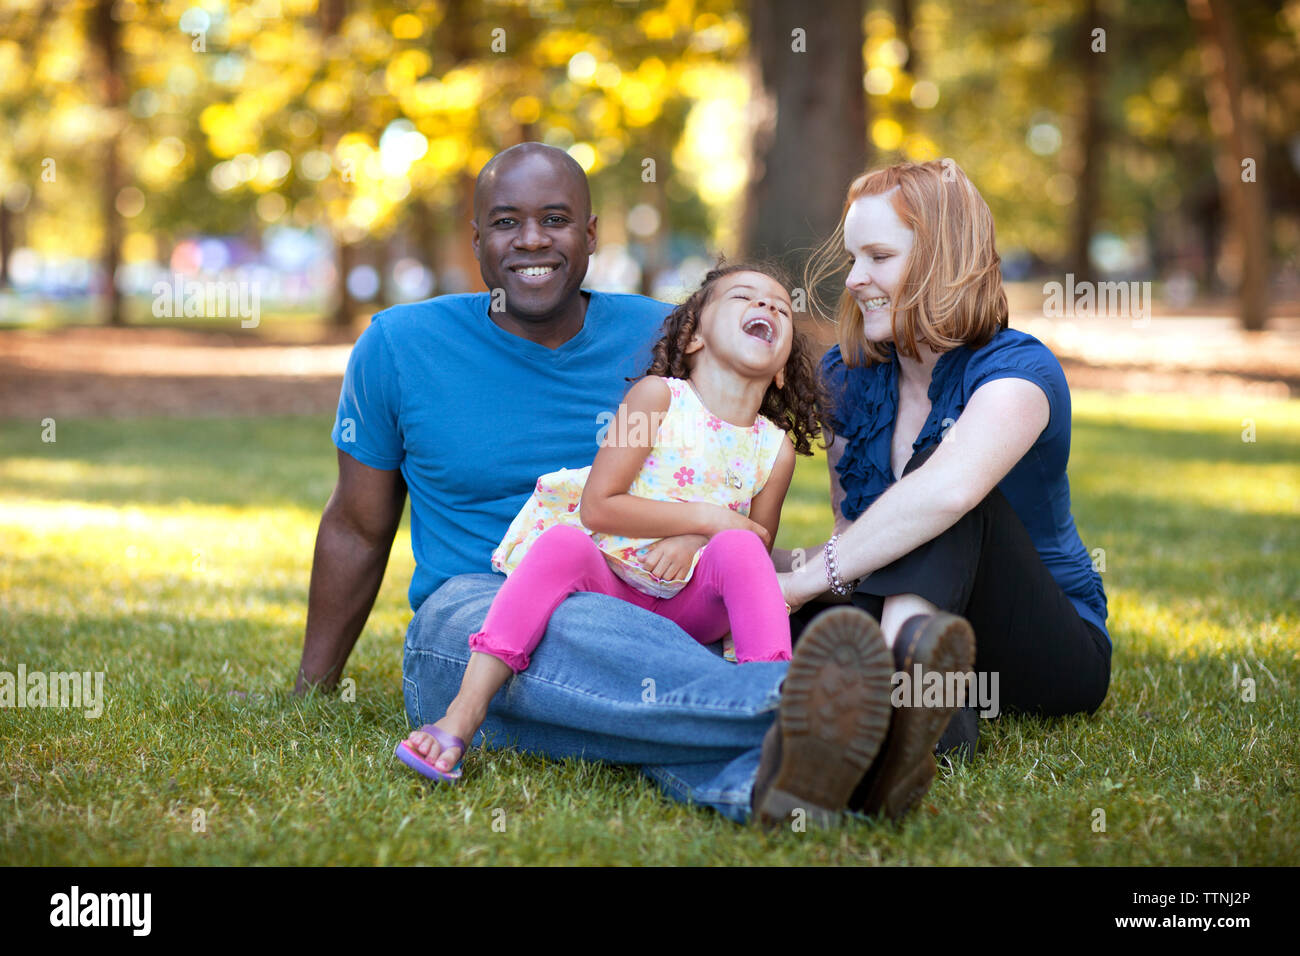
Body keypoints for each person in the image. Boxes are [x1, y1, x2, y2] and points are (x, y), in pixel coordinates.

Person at [296, 142, 943, 826]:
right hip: (479, 609)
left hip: (656, 596)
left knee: (630, 686)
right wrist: (314, 688)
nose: (533, 239)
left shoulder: (665, 331)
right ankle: (809, 709)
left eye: (556, 219)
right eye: (508, 222)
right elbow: (357, 526)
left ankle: (788, 776)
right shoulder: (400, 344)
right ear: (478, 237)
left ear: (591, 234)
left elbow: (736, 449)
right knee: (579, 628)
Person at [394, 263, 823, 781]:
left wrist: (696, 537)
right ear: (694, 339)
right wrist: (706, 518)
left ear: (780, 370)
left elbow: (755, 543)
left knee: (740, 551)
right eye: (744, 298)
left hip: (693, 605)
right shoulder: (658, 398)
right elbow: (598, 505)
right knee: (562, 545)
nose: (767, 308)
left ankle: (771, 696)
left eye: (780, 307)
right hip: (613, 585)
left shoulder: (773, 450)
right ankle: (465, 709)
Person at [775, 159, 1111, 804]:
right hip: (925, 627)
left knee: (946, 492)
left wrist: (804, 583)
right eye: (852, 258)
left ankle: (908, 693)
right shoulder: (848, 375)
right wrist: (770, 576)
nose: (855, 280)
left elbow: (948, 492)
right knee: (758, 585)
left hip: (1043, 651)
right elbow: (855, 535)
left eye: (878, 256)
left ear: (942, 258)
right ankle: (903, 706)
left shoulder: (1017, 373)